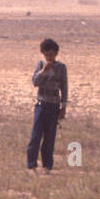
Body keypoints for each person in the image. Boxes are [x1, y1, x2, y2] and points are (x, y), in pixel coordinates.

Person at [26, 38, 67, 174]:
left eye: (52, 54)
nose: (49, 57)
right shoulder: (41, 65)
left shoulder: (61, 68)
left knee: (50, 138)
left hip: (54, 106)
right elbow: (35, 82)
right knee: (35, 136)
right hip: (41, 104)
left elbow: (64, 88)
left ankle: (47, 166)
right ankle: (32, 165)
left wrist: (64, 107)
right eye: (46, 54)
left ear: (56, 53)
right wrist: (43, 71)